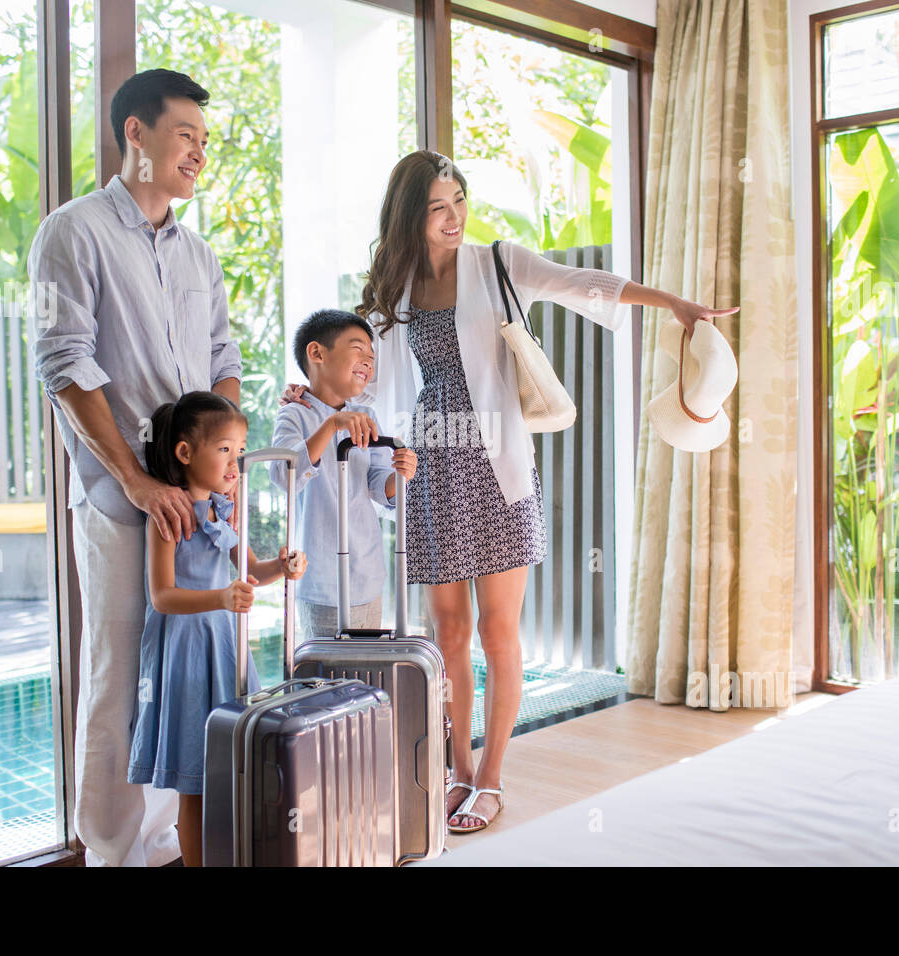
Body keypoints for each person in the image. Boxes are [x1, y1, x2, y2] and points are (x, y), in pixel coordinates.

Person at [281, 150, 738, 833]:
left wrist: (670, 303)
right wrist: (311, 393)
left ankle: (490, 778)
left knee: (498, 632)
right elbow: (359, 370)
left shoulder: (495, 260)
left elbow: (581, 282)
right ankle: (456, 772)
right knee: (450, 635)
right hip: (429, 469)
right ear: (411, 215)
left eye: (459, 200)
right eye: (438, 207)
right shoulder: (391, 287)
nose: (454, 217)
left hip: (498, 470)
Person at [29, 69, 242, 866]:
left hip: (201, 507)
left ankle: (174, 845)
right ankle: (116, 853)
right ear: (136, 135)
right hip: (124, 504)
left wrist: (214, 466)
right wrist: (137, 480)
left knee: (192, 675)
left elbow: (225, 361)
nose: (197, 153)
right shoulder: (72, 233)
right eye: (185, 134)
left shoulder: (201, 255)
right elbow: (64, 364)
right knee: (120, 678)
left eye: (203, 141)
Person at [127, 391, 306, 867]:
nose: (236, 460)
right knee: (195, 775)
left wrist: (282, 566)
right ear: (186, 454)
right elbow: (161, 596)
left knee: (230, 760)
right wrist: (221, 598)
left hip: (225, 643)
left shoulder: (225, 511)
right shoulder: (168, 514)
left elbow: (249, 571)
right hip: (185, 647)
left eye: (240, 449)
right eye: (225, 448)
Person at [269, 310, 417, 640]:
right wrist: (331, 425)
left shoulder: (366, 414)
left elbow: (379, 486)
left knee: (364, 677)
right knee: (325, 676)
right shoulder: (293, 415)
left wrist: (400, 475)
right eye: (357, 349)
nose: (367, 360)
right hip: (321, 580)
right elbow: (283, 474)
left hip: (367, 575)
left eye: (371, 355)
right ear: (317, 353)